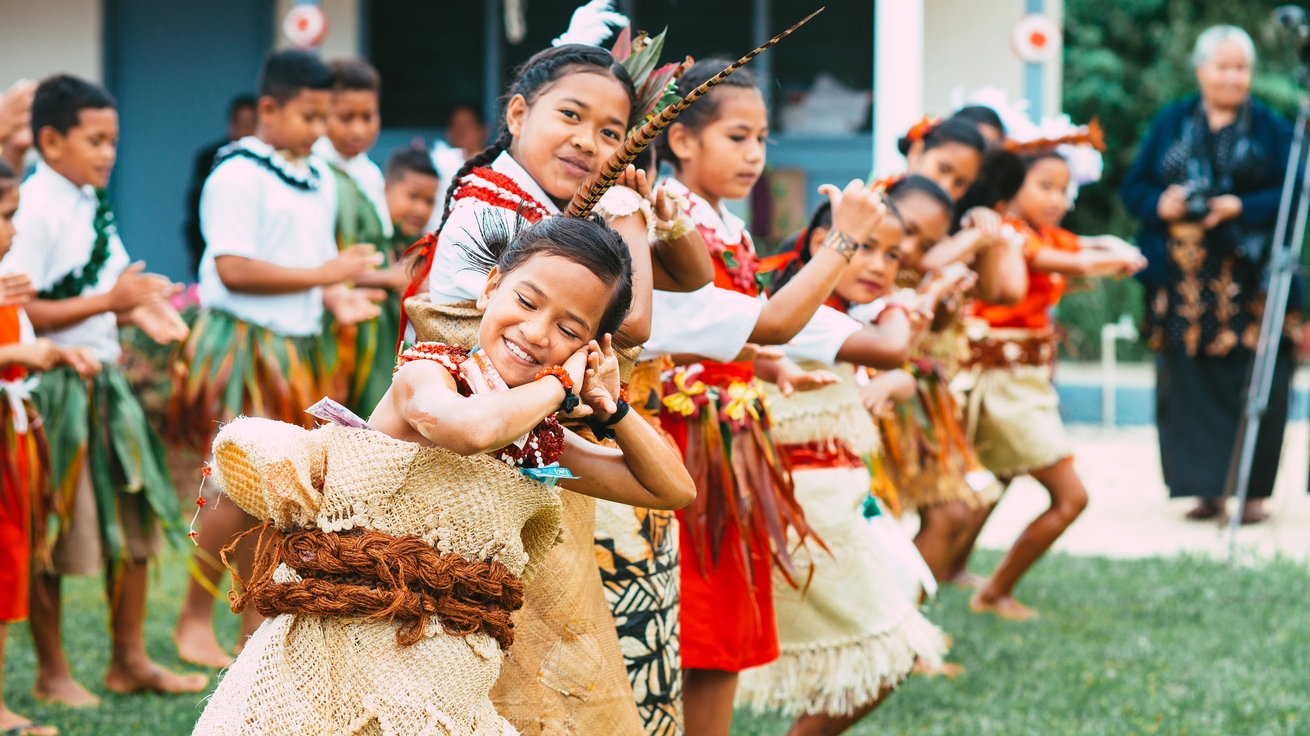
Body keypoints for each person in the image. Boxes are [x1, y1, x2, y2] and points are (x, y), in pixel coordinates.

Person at [191, 214, 696, 736]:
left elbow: (672, 489)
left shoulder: (536, 439)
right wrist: (560, 387)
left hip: (439, 686)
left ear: (593, 349)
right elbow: (470, 431)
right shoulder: (428, 376)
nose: (536, 332)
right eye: (526, 301)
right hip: (333, 662)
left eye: (569, 330)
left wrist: (612, 409)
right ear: (491, 288)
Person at [651, 58, 888, 736]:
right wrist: (842, 239)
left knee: (717, 633)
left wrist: (769, 369)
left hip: (728, 441)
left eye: (762, 139)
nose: (754, 154)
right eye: (737, 137)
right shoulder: (672, 220)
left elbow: (726, 334)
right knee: (688, 625)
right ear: (682, 141)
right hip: (680, 442)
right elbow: (749, 322)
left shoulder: (729, 224)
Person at [169, 49, 384, 669]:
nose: (321, 129)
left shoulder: (311, 171)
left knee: (276, 491)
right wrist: (324, 274)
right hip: (244, 345)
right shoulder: (236, 173)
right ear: (268, 108)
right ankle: (192, 618)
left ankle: (253, 618)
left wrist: (333, 295)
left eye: (326, 115)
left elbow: (302, 262)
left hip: (295, 347)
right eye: (309, 114)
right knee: (232, 487)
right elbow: (233, 270)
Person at [7, 74, 201, 704]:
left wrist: (142, 308)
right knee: (54, 532)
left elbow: (110, 288)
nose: (108, 152)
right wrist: (112, 301)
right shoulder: (30, 207)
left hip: (104, 382)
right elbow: (24, 306)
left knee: (134, 521)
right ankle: (53, 672)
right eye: (95, 140)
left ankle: (129, 659)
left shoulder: (91, 201)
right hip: (51, 388)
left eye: (113, 140)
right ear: (50, 140)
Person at [739, 188, 951, 735]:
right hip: (807, 504)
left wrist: (896, 373)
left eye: (893, 257)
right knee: (890, 651)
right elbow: (893, 351)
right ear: (822, 244)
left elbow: (900, 369)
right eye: (865, 248)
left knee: (907, 602)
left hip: (842, 497)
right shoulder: (802, 314)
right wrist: (907, 302)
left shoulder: (839, 316)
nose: (880, 267)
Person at [965, 137, 1146, 620]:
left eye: (1065, 191)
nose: (1057, 200)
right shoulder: (1009, 234)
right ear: (1011, 187)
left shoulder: (1044, 233)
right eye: (1044, 186)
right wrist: (1120, 259)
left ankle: (956, 570)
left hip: (1024, 382)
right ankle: (993, 591)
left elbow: (1088, 246)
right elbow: (1080, 261)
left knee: (993, 485)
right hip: (1003, 386)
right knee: (1071, 498)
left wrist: (1117, 247)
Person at [1120, 25, 1294, 524]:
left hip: (1253, 283)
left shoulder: (1272, 127)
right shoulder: (1171, 120)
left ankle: (1253, 492)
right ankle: (1204, 490)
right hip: (1181, 286)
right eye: (1222, 66)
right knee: (1187, 383)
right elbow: (1135, 190)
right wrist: (1164, 204)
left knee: (1258, 380)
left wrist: (1239, 205)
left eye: (1241, 67)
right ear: (1200, 70)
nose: (1232, 77)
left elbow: (1295, 191)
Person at [0, 159, 96, 736]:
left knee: (10, 561)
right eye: (5, 216)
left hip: (12, 431)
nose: (13, 230)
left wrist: (53, 353)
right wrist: (14, 358)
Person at [313, 57, 405, 417]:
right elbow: (318, 261)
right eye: (345, 117)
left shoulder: (367, 171)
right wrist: (387, 277)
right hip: (336, 319)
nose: (359, 129)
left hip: (374, 317)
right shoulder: (319, 173)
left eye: (368, 117)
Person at [183, 94, 257, 277]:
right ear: (231, 126)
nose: (247, 131)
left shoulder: (272, 164)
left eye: (252, 124)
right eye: (243, 124)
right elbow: (195, 208)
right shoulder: (210, 159)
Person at [425, 104, 491, 233]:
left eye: (467, 124)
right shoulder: (437, 163)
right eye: (455, 125)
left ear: (483, 130)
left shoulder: (498, 166)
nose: (460, 130)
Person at [384, 146, 439, 248]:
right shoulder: (365, 239)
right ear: (386, 189)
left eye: (429, 201)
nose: (420, 210)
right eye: (413, 196)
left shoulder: (428, 252)